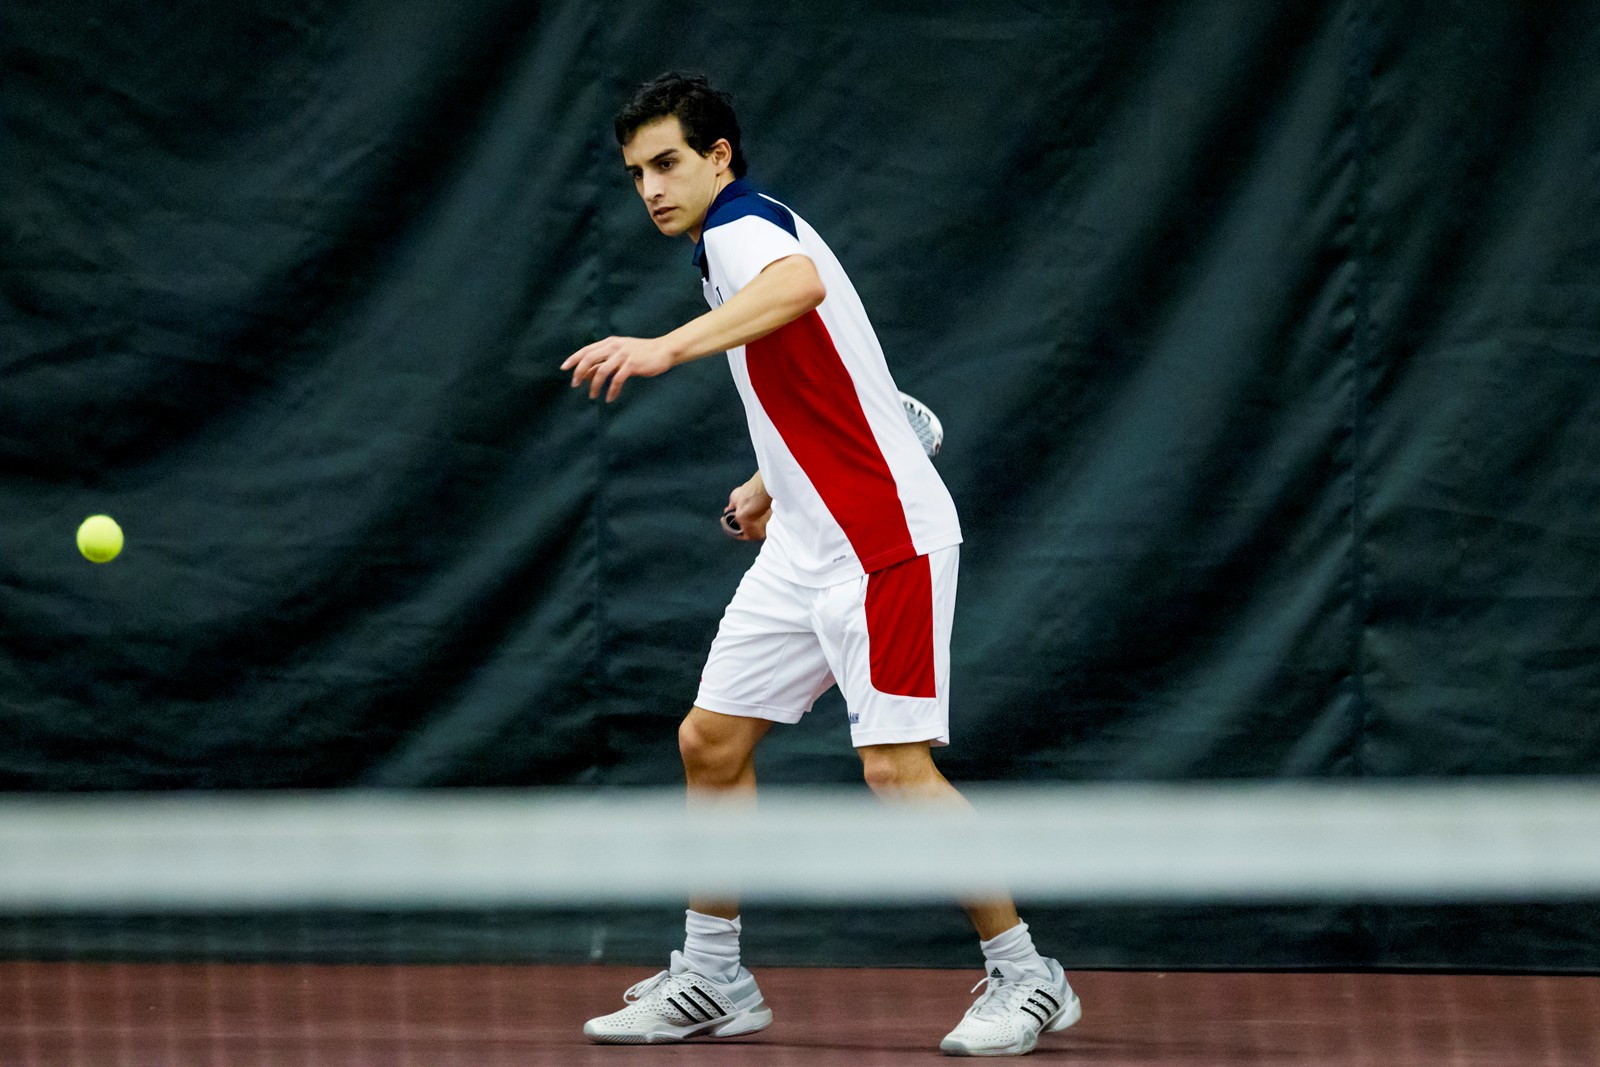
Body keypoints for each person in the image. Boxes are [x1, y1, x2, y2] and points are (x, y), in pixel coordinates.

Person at [562, 72, 1081, 1057]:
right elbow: (832, 367)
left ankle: (1029, 975)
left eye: (668, 162)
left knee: (894, 769)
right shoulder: (723, 253)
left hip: (883, 541)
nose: (651, 188)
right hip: (805, 541)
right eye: (636, 174)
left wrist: (663, 350)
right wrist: (768, 479)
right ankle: (713, 975)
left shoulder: (744, 228)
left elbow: (794, 284)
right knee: (709, 743)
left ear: (719, 156)